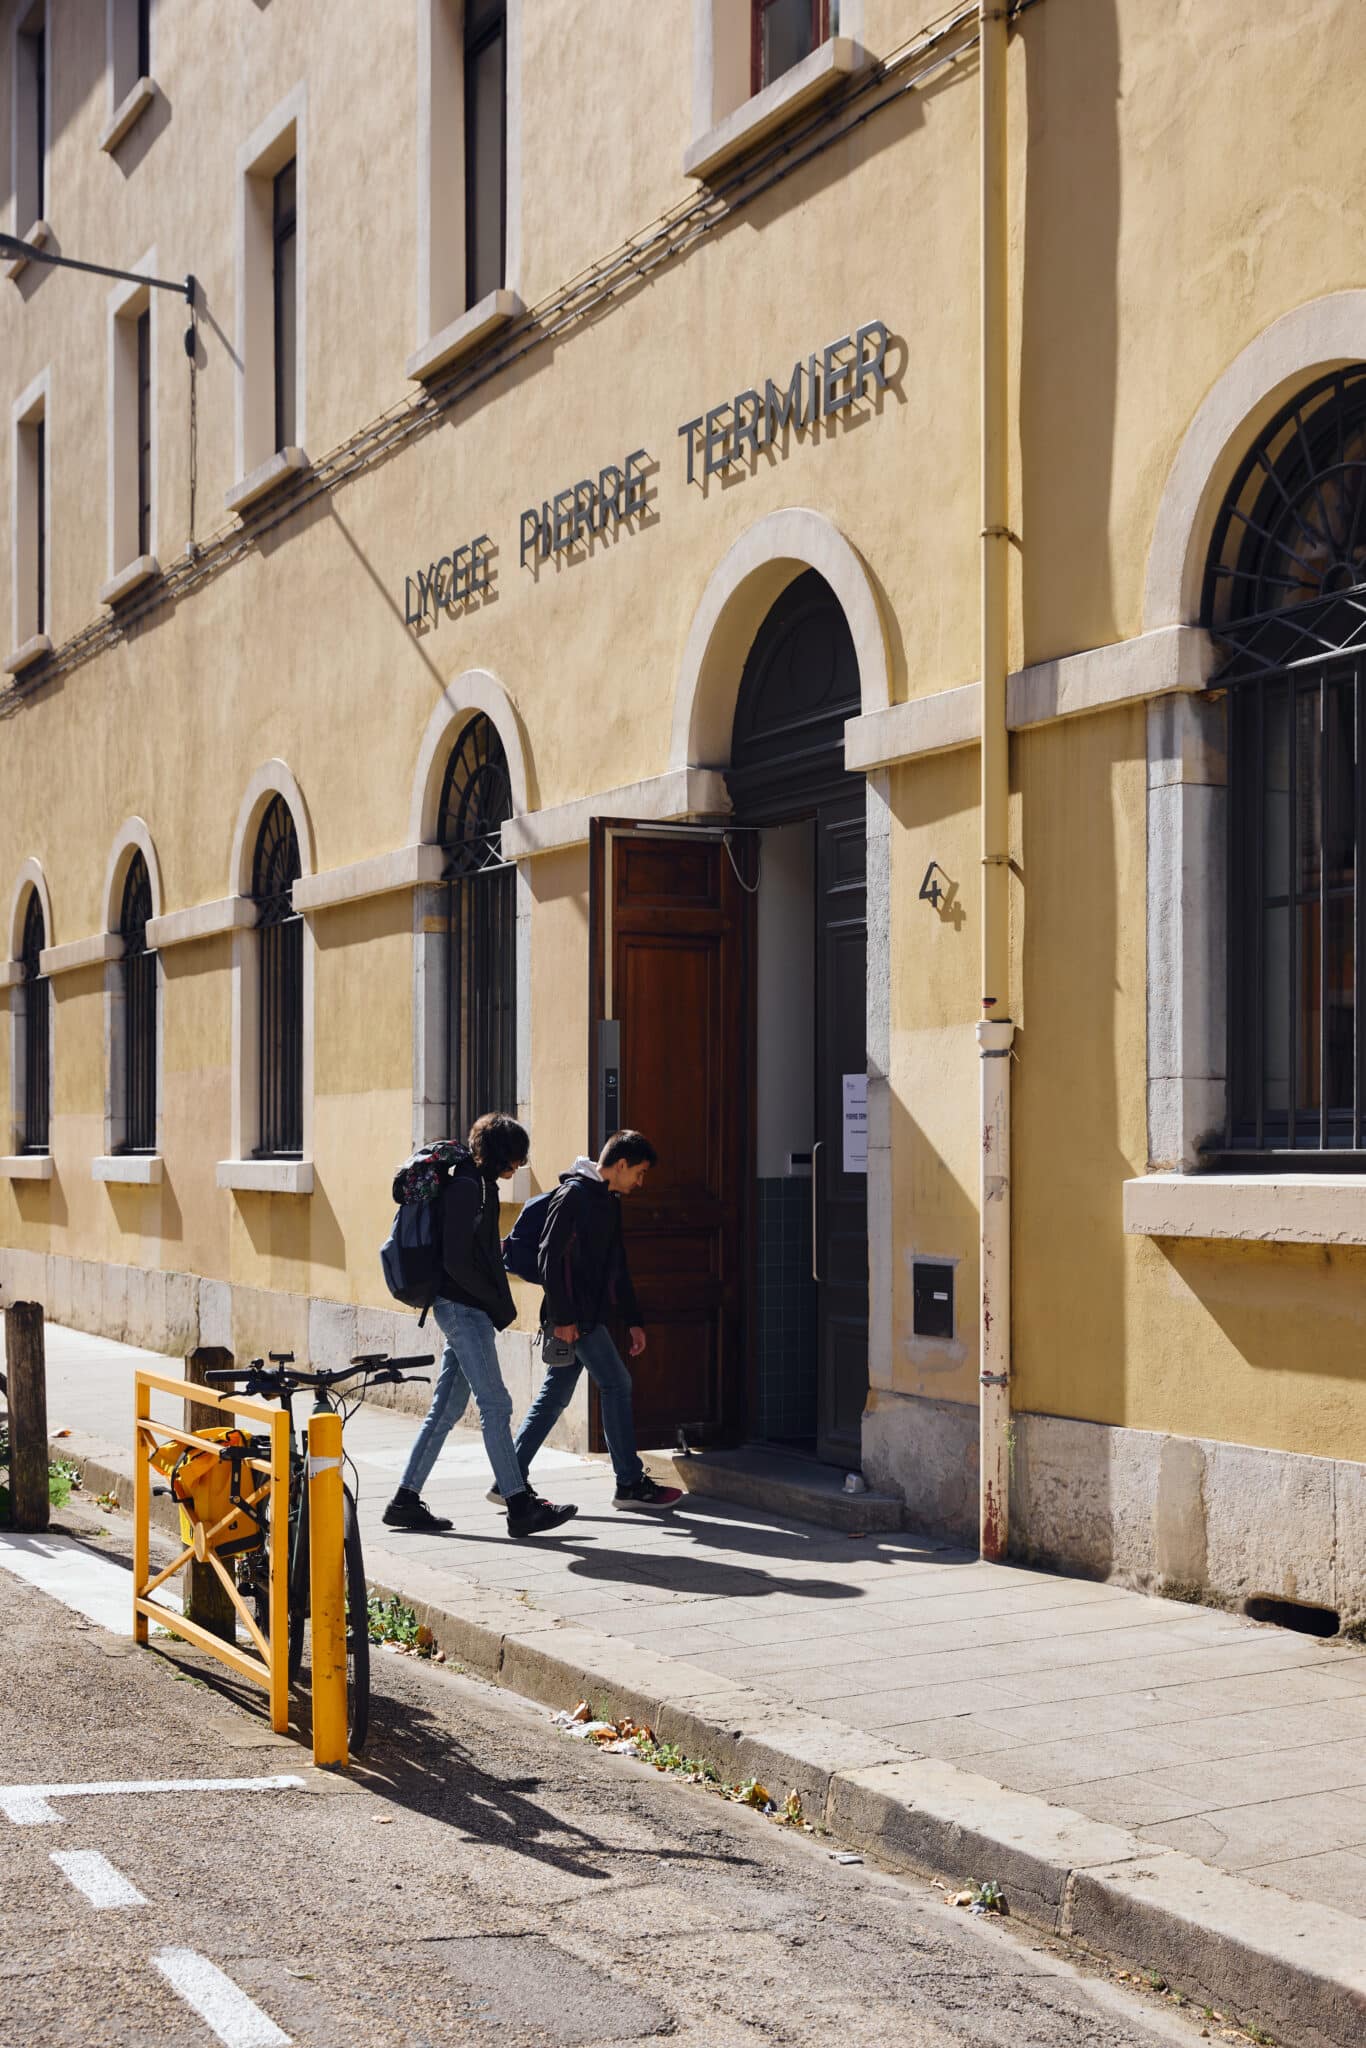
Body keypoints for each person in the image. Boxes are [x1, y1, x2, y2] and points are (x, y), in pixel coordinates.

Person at [383, 1112, 578, 1540]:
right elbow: (455, 1260)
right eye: (516, 1159)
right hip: (462, 1308)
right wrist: (491, 1301)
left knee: (447, 1409)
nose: (518, 1168)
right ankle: (519, 1505)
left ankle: (404, 1501)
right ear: (502, 1156)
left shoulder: (480, 1185)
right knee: (496, 1405)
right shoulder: (468, 1187)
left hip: (467, 1307)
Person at [493, 1130, 683, 1514]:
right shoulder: (574, 1196)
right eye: (640, 1173)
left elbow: (617, 1264)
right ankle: (629, 1483)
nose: (640, 1182)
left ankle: (507, 1480)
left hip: (586, 1315)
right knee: (616, 1383)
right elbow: (549, 1258)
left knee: (554, 1396)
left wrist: (633, 1320)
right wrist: (563, 1318)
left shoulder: (606, 1200)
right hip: (574, 1317)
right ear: (621, 1165)